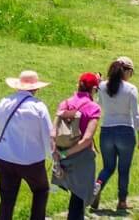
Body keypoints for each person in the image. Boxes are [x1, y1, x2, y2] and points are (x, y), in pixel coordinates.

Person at [0, 70, 54, 220]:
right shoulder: (39, 107)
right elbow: (48, 134)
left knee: (7, 198)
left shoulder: (5, 102)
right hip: (31, 159)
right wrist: (52, 156)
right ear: (36, 88)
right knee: (41, 190)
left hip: (5, 157)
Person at [93, 56, 139, 213]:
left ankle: (98, 185)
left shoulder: (102, 86)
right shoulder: (131, 89)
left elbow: (97, 106)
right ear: (126, 71)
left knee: (108, 167)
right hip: (125, 132)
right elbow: (136, 115)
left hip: (106, 130)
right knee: (124, 169)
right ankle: (122, 201)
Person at [54, 72, 102, 220]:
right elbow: (87, 139)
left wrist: (57, 154)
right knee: (78, 200)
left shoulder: (65, 103)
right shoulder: (93, 107)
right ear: (94, 89)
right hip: (82, 158)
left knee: (75, 199)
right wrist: (66, 154)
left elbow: (53, 132)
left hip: (62, 156)